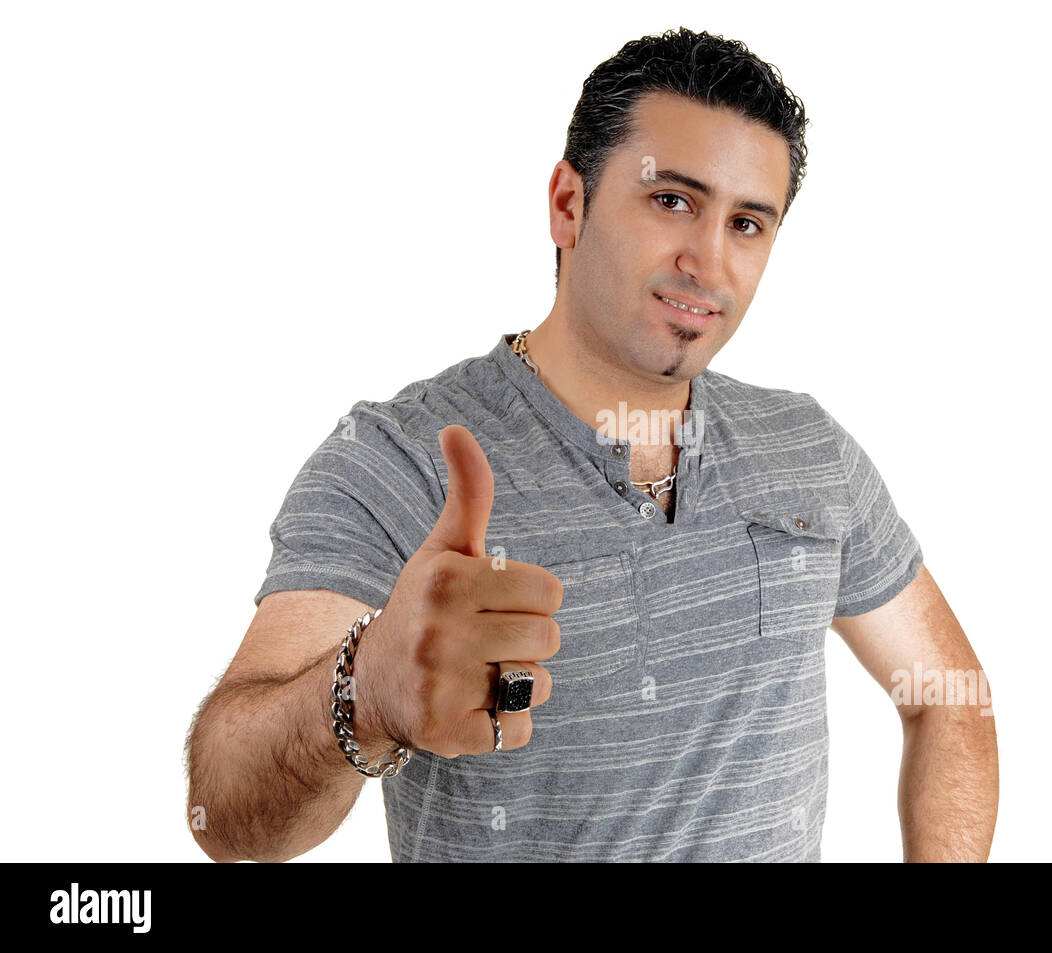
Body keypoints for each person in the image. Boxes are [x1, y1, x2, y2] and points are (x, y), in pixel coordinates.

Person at [185, 26, 998, 863]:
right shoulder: (403, 458)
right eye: (671, 200)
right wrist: (364, 692)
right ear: (567, 203)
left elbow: (950, 697)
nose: (707, 263)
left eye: (748, 223)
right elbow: (226, 808)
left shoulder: (808, 449)